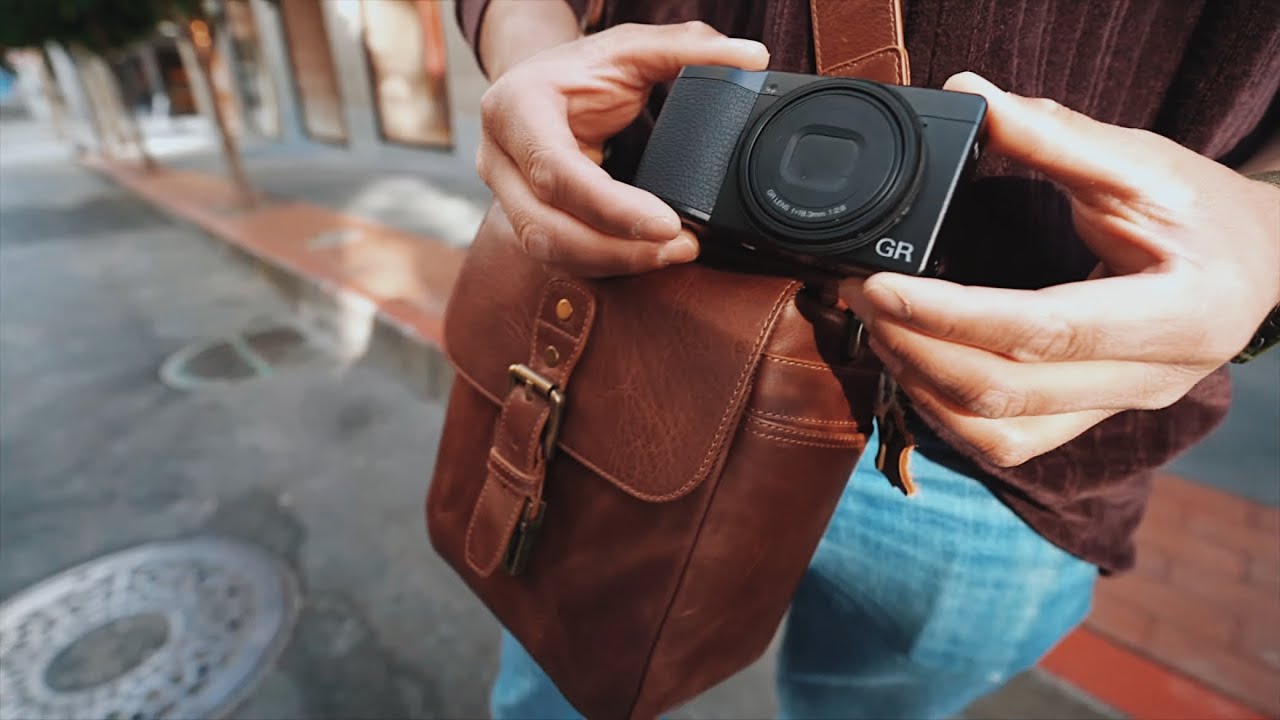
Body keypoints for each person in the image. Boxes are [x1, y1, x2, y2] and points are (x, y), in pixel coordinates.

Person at [455, 1, 1280, 717]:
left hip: (1007, 457)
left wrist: (1266, 242)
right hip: (631, 362)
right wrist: (528, 49)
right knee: (560, 687)